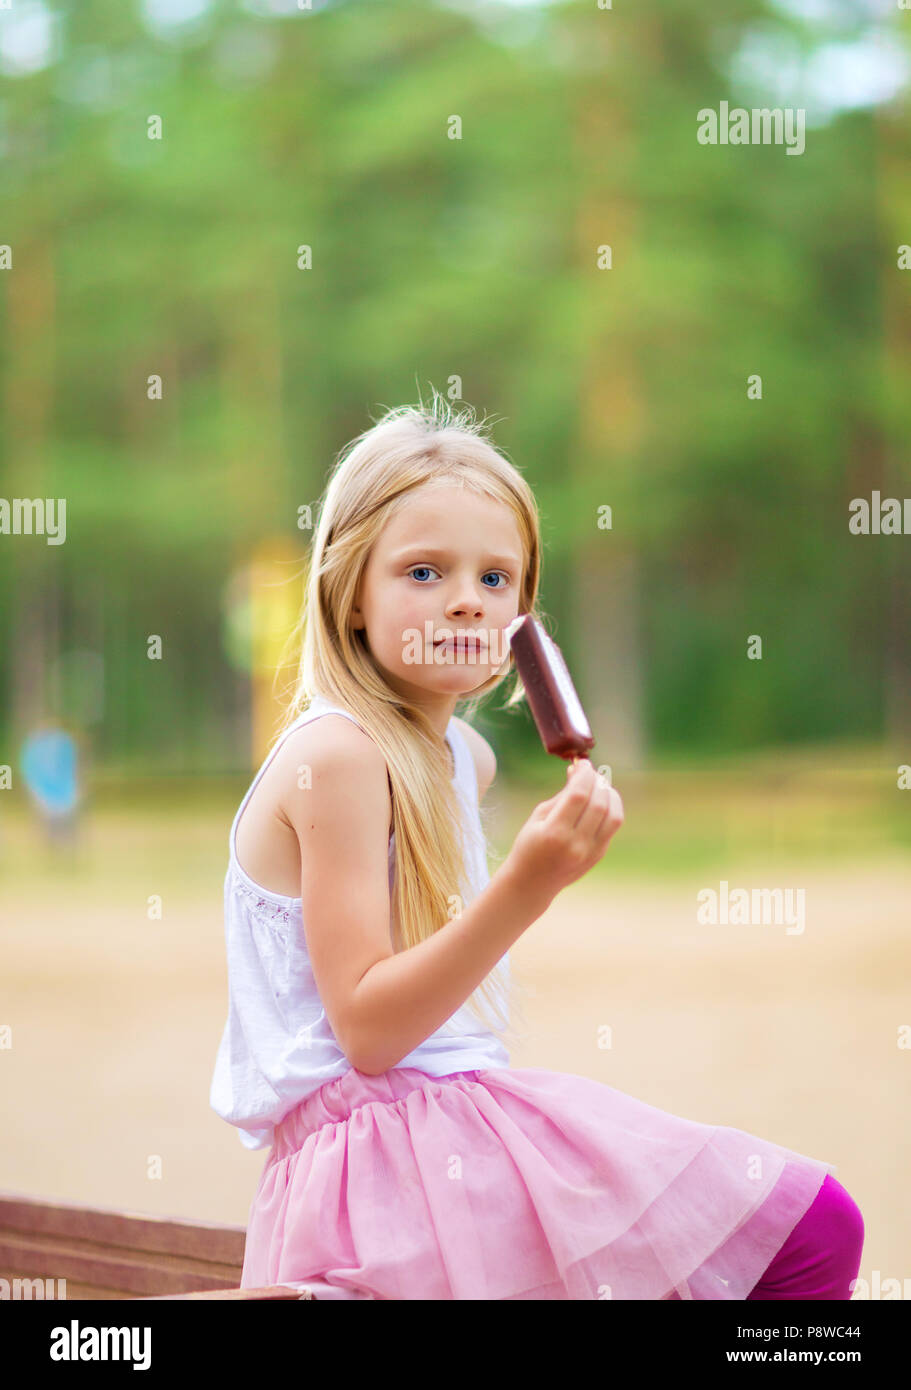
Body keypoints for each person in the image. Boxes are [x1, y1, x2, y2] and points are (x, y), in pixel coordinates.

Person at [209, 391, 864, 1301]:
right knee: (813, 1228)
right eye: (424, 572)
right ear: (349, 594)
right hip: (376, 1170)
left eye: (494, 579)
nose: (465, 602)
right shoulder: (340, 756)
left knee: (805, 1230)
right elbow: (367, 1030)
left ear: (524, 614)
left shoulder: (460, 759)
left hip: (447, 1132)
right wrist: (528, 882)